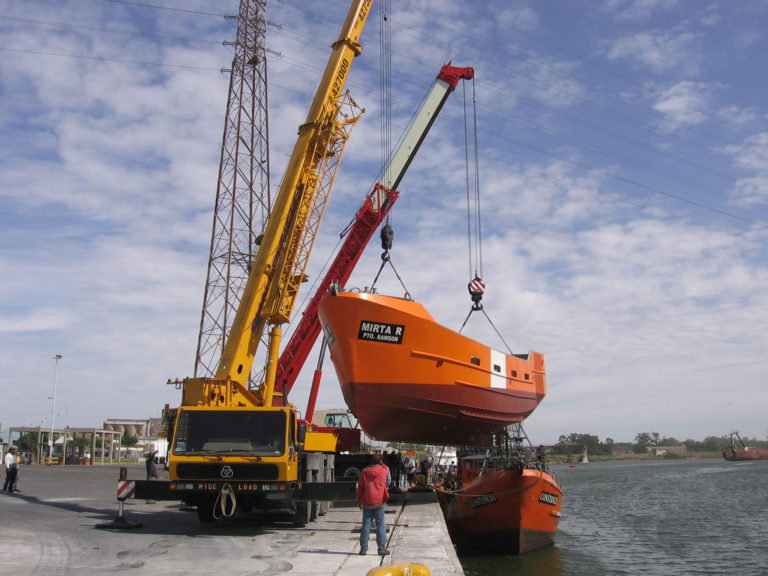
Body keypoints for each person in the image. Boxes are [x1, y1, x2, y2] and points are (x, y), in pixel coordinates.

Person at [356, 453, 390, 556]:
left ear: (370, 461)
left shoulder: (365, 472)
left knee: (366, 525)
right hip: (379, 501)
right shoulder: (383, 471)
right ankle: (381, 549)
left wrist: (358, 500)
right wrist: (382, 464)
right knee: (380, 525)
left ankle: (363, 549)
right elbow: (388, 482)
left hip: (367, 501)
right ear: (380, 461)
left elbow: (360, 487)